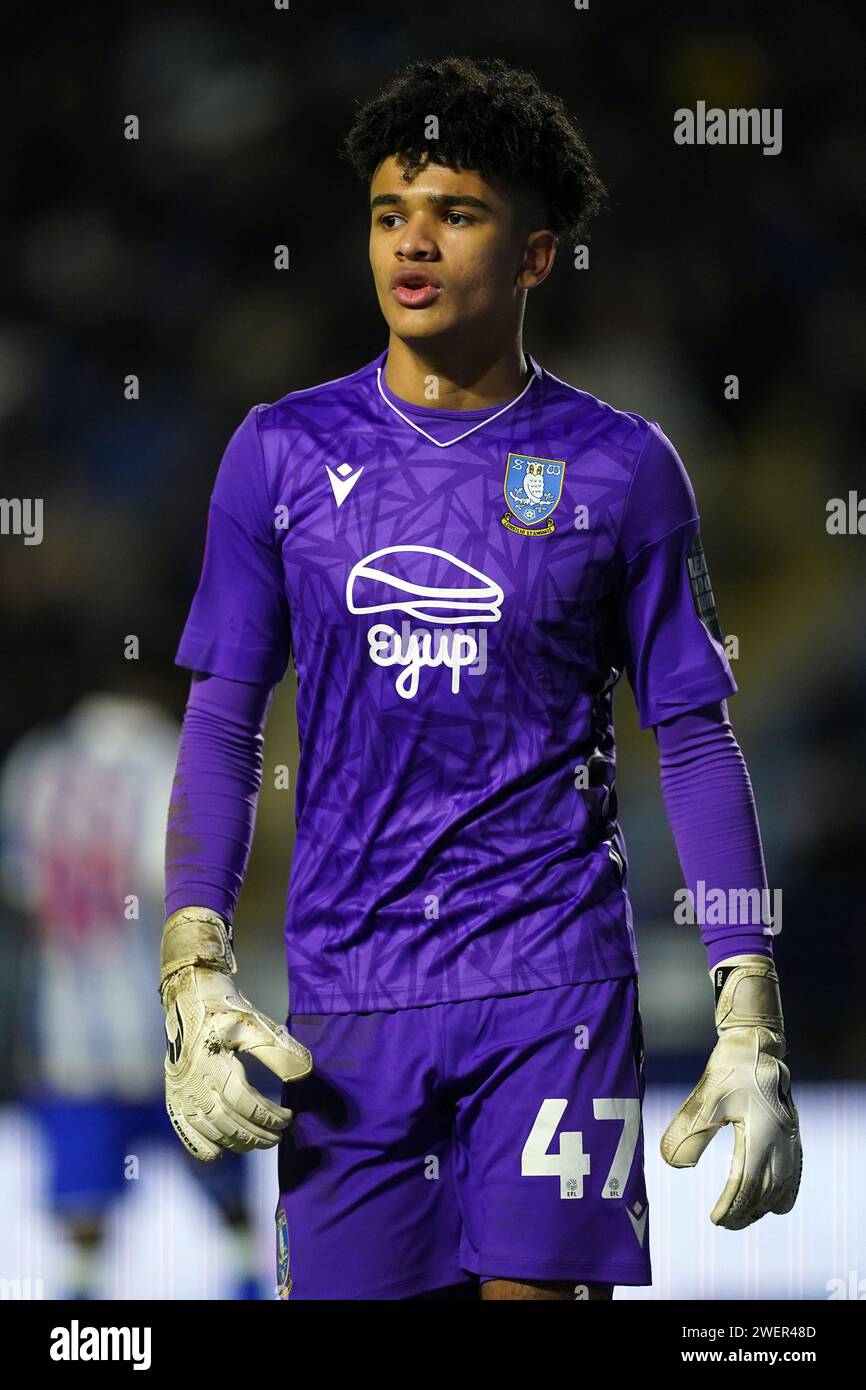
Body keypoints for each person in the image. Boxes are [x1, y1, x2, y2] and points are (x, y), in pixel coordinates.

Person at [160, 55, 801, 1302]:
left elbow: (694, 733)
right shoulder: (277, 454)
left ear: (535, 255)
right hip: (345, 997)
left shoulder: (623, 469)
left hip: (551, 982)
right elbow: (224, 721)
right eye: (389, 213)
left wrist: (747, 1000)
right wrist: (189, 959)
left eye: (455, 214)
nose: (412, 243)